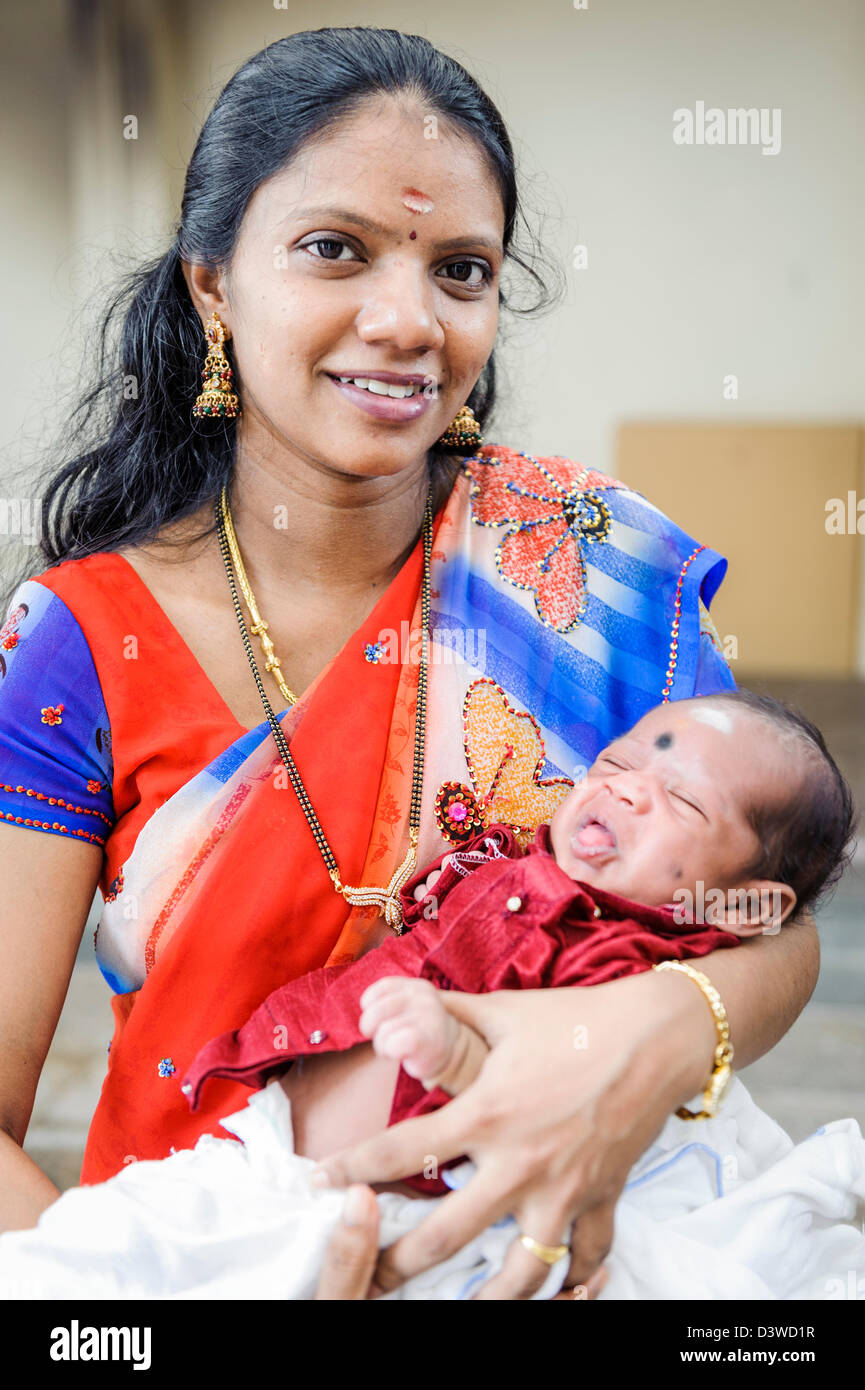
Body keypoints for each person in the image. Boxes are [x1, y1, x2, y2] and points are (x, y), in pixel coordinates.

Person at [0, 28, 821, 1300]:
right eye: (335, 249)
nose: (406, 321)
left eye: (460, 269)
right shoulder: (77, 642)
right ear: (213, 285)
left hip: (552, 1252)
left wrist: (659, 1030)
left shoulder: (594, 566)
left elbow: (769, 923)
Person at [0, 690, 860, 1301]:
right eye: (614, 761)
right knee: (92, 1259)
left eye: (680, 801)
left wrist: (451, 1045)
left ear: (742, 904)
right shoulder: (514, 867)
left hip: (419, 1218)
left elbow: (549, 1054)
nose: (626, 786)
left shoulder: (624, 951)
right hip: (260, 1156)